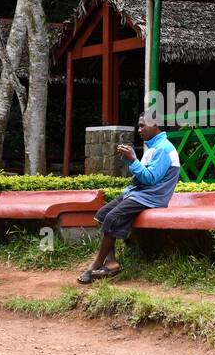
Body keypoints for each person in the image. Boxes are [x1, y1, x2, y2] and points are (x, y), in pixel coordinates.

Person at [77, 112, 179, 285]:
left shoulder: (163, 148)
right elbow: (142, 176)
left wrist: (133, 160)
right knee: (102, 215)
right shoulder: (153, 146)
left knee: (112, 217)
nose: (139, 130)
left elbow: (151, 179)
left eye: (142, 126)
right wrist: (129, 160)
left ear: (155, 124)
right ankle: (111, 263)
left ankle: (95, 265)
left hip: (151, 197)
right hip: (139, 194)